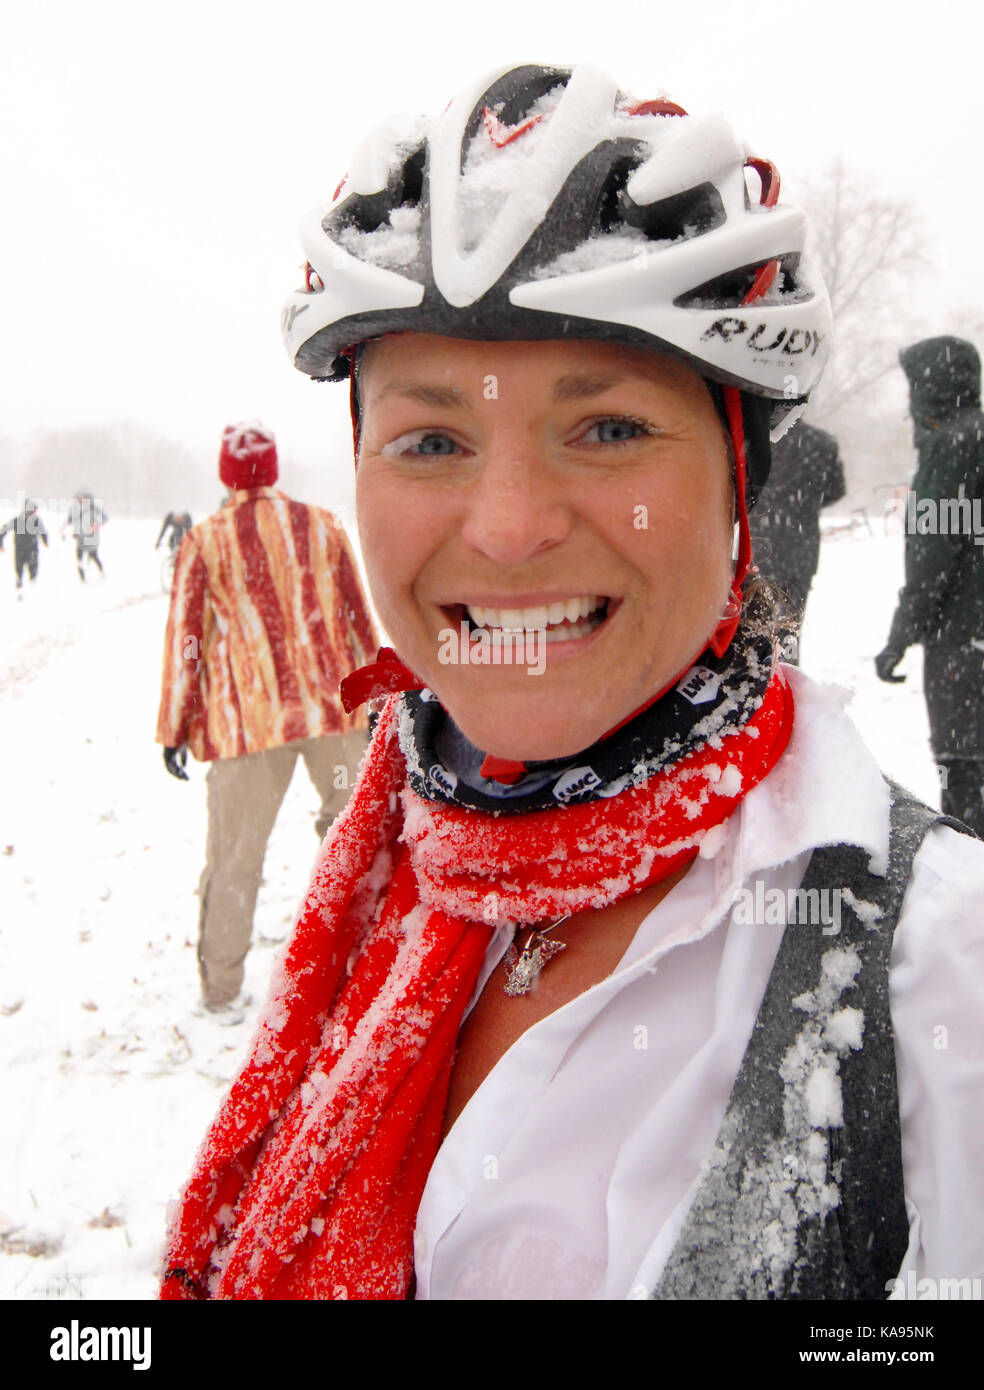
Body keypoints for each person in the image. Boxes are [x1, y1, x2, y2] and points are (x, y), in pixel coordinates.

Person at [160, 66, 984, 1302]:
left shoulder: (939, 977)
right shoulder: (393, 868)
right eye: (431, 440)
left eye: (607, 429)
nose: (504, 530)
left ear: (738, 484)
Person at [155, 421, 378, 1014]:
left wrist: (177, 726)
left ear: (227, 473)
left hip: (246, 724)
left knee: (234, 857)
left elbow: (188, 642)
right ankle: (361, 968)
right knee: (356, 843)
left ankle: (222, 988)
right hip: (333, 714)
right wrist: (377, 698)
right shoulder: (323, 526)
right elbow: (358, 619)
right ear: (273, 468)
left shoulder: (207, 539)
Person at [876, 336, 984, 836]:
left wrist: (899, 639)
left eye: (913, 386)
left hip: (963, 643)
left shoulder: (953, 448)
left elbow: (932, 560)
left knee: (965, 774)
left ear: (932, 388)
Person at [748, 420, 845, 661]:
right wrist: (805, 504)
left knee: (752, 624)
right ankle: (787, 678)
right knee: (790, 626)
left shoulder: (755, 441)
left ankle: (756, 682)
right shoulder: (822, 442)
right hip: (801, 548)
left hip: (759, 544)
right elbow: (836, 491)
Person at [0, 498, 48, 589]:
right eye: (32, 509)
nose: (34, 511)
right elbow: (3, 530)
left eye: (35, 509)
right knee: (19, 570)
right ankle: (19, 587)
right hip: (20, 550)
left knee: (33, 569)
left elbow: (43, 531)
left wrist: (45, 541)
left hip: (32, 549)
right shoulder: (18, 520)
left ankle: (32, 586)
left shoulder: (37, 521)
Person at [67, 489, 106, 580]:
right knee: (79, 558)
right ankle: (82, 578)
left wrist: (95, 526)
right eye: (80, 498)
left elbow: (104, 518)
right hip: (80, 539)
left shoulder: (93, 509)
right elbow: (71, 520)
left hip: (91, 538)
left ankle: (101, 571)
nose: (81, 500)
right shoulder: (76, 509)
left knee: (94, 556)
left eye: (83, 498)